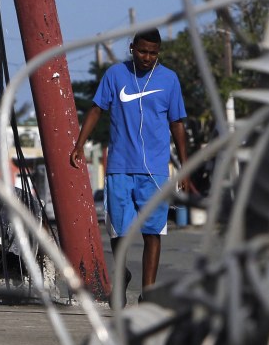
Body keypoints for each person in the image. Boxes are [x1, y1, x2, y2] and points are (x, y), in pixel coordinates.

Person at [70, 28, 196, 302]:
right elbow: (96, 109)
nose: (147, 57)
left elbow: (177, 123)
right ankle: (121, 274)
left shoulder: (170, 80)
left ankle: (148, 292)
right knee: (119, 231)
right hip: (119, 167)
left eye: (152, 53)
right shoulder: (115, 75)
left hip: (155, 172)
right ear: (132, 48)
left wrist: (184, 167)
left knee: (153, 232)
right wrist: (80, 143)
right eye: (142, 51)